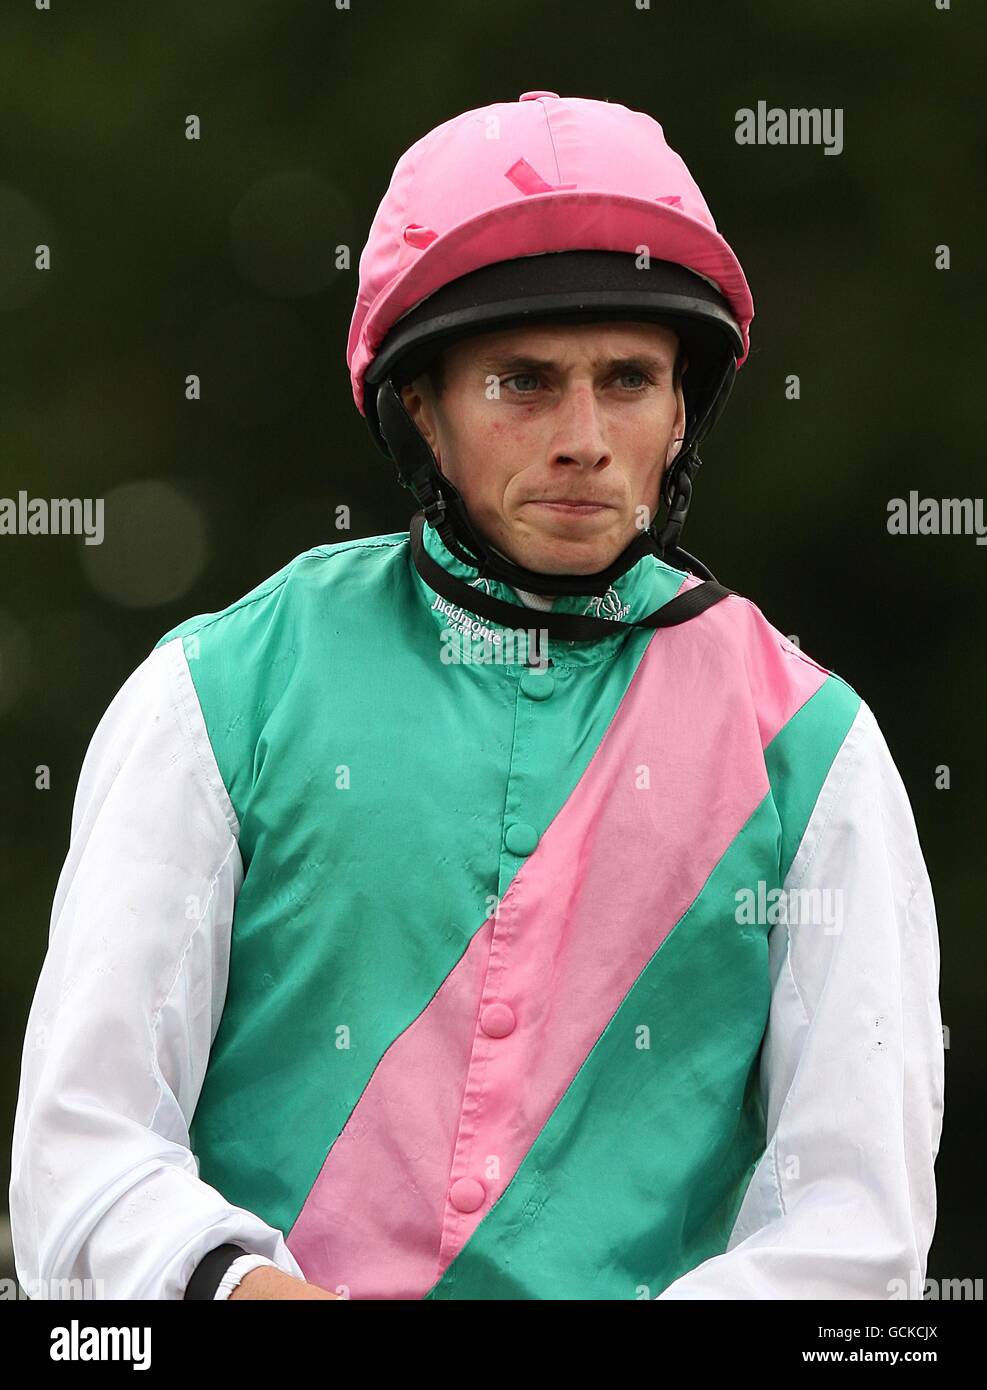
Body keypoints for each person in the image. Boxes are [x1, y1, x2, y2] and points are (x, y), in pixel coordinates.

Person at [9, 91, 944, 1301]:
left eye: (629, 380)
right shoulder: (215, 691)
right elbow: (80, 1150)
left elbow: (856, 1227)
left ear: (681, 412)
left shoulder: (819, 750)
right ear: (422, 406)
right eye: (523, 381)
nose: (585, 437)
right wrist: (234, 1290)